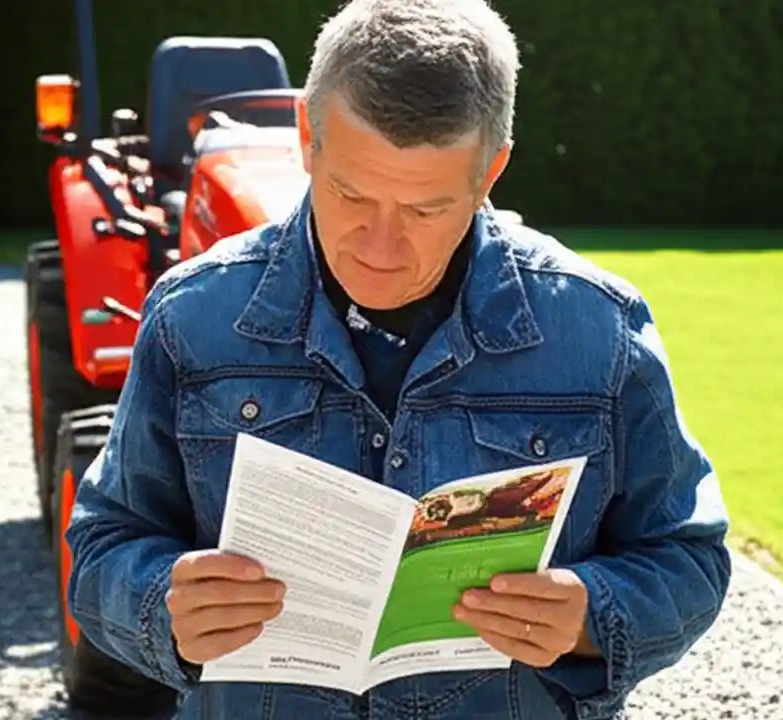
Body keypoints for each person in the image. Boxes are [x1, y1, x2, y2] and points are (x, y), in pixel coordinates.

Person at [64, 0, 732, 718]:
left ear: (490, 172)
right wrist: (162, 604)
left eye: (425, 210)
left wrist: (591, 617)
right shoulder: (191, 315)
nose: (380, 248)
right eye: (351, 194)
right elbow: (103, 543)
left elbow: (689, 557)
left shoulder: (598, 329)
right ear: (307, 138)